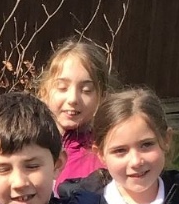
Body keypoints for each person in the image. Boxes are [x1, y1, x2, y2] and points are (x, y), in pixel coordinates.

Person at [37, 36, 118, 187]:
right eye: (62, 88)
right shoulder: (29, 145)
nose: (73, 99)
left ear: (102, 97)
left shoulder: (104, 157)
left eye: (86, 90)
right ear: (44, 91)